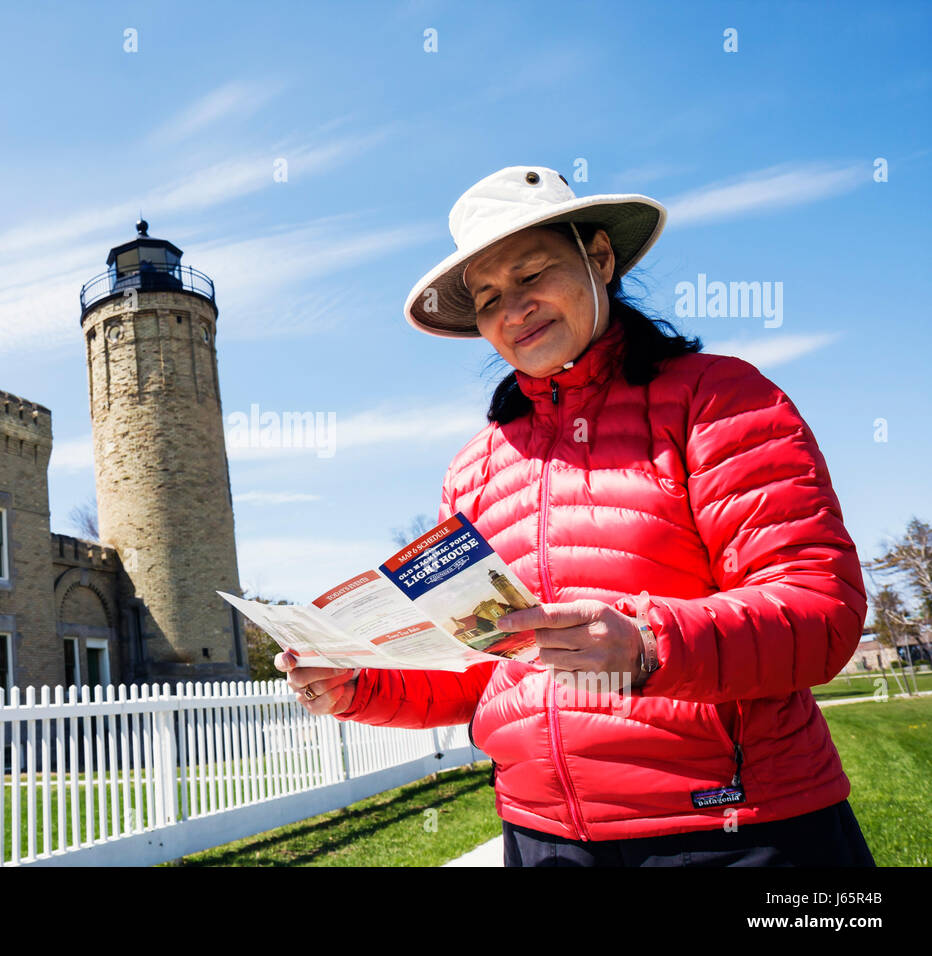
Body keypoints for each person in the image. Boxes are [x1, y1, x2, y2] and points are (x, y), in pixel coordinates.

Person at [276, 165, 874, 866]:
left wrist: (648, 644)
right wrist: (359, 685)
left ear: (599, 259)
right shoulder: (474, 468)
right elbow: (487, 667)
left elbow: (820, 610)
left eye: (531, 275)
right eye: (490, 297)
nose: (513, 308)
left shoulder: (718, 399)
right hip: (542, 837)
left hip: (736, 827)